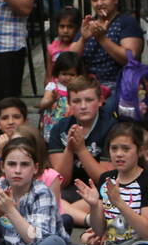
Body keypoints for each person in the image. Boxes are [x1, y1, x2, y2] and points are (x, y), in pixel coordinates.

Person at [48, 74, 117, 202]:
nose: (83, 106)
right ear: (69, 103)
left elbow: (105, 181)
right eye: (76, 101)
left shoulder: (113, 129)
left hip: (102, 192)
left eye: (89, 100)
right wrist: (69, 148)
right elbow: (61, 181)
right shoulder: (59, 128)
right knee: (52, 196)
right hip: (69, 189)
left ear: (101, 101)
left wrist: (81, 150)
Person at [78, 0, 144, 101]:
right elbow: (69, 59)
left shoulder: (126, 22)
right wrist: (83, 39)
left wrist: (102, 38)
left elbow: (130, 58)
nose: (99, 3)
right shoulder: (89, 24)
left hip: (119, 86)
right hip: (87, 88)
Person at [37, 51, 80, 137]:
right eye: (64, 74)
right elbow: (42, 104)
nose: (67, 78)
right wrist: (52, 99)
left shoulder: (79, 87)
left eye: (72, 75)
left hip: (72, 123)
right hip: (53, 124)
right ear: (57, 72)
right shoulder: (52, 86)